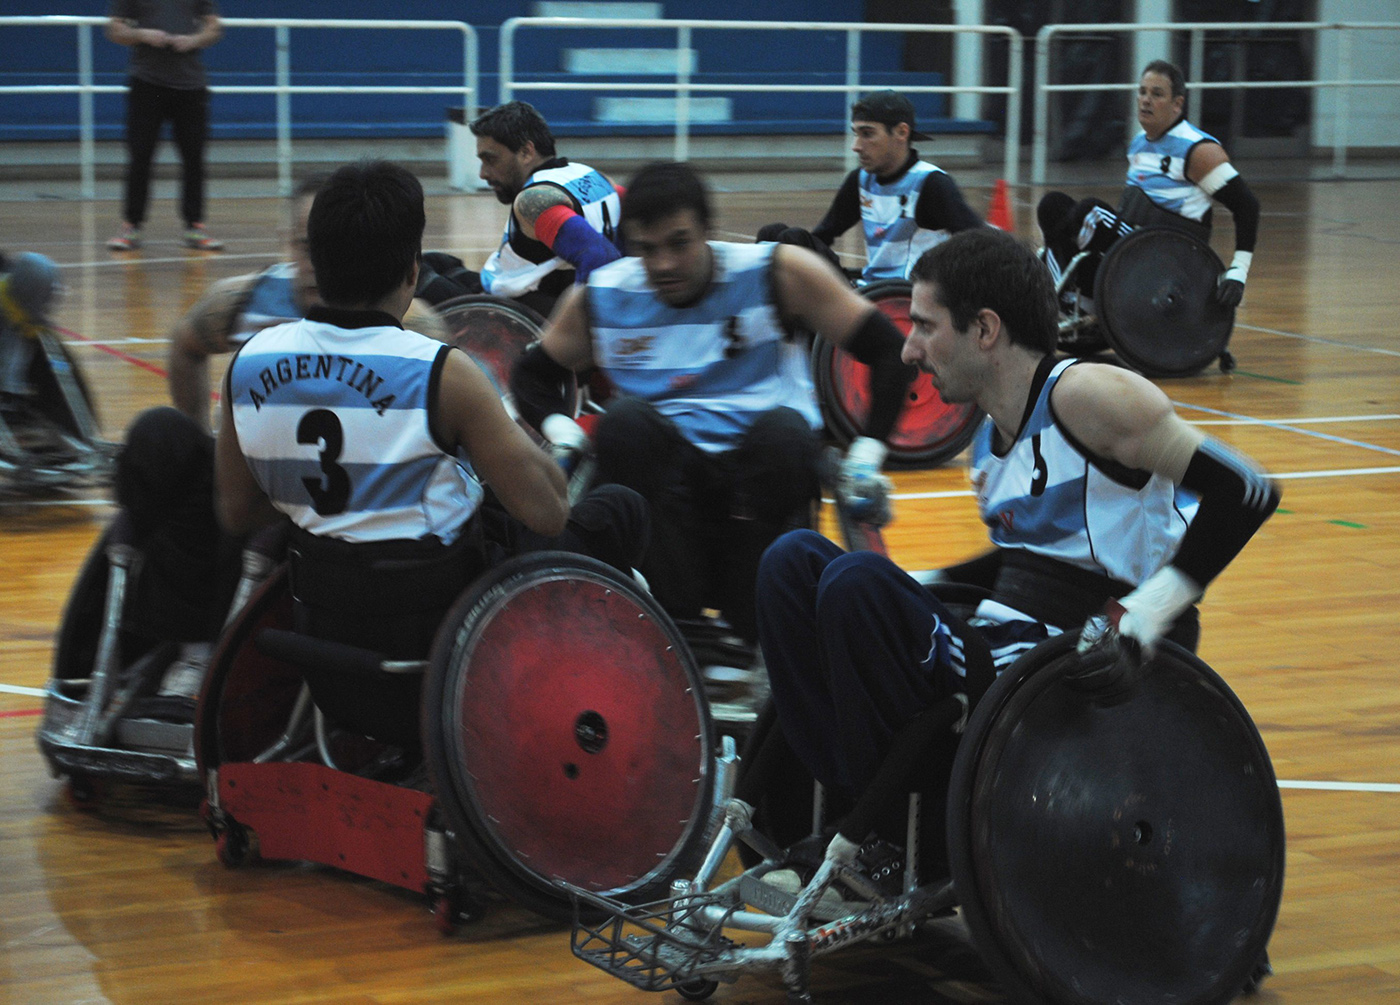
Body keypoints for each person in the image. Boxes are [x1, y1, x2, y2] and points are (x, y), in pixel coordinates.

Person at [754, 227, 1279, 811]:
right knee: (794, 561)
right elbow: (1022, 561)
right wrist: (917, 584)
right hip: (1006, 637)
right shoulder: (986, 441)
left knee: (856, 585)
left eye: (925, 326)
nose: (908, 350)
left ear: (984, 329)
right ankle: (808, 805)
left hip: (1072, 659)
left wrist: (1140, 619)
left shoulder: (1087, 395)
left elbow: (1247, 491)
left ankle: (872, 815)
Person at [215, 161, 646, 663]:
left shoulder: (248, 362)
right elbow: (548, 512)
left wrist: (337, 496)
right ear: (413, 271)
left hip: (321, 638)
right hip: (442, 643)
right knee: (619, 510)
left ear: (315, 259)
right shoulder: (441, 373)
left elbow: (237, 511)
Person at [510, 160, 917, 646]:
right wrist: (562, 431)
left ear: (706, 231)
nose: (662, 264)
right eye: (647, 249)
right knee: (625, 425)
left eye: (679, 243)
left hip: (761, 474)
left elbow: (891, 352)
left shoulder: (777, 273)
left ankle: (765, 623)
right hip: (670, 488)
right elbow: (531, 375)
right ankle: (666, 624)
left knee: (785, 436)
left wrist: (867, 454)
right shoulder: (603, 297)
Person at [166, 175, 446, 433]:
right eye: (308, 247)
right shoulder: (244, 301)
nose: (319, 263)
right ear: (286, 243)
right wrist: (202, 439)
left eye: (336, 248)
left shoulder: (408, 321)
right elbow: (185, 344)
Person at [1037, 60, 1261, 310]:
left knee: (1092, 212)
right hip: (1136, 245)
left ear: (1177, 104)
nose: (1146, 100)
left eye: (1157, 94)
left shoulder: (1198, 150)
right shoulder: (1137, 145)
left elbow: (1247, 206)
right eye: (1142, 92)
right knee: (1052, 205)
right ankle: (1068, 292)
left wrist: (1238, 272)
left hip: (1170, 256)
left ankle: (1065, 296)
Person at [412, 101, 624, 317]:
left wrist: (581, 329)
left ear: (526, 152)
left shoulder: (534, 200)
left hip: (512, 315)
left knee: (409, 274)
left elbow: (599, 256)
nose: (483, 174)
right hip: (520, 290)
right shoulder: (594, 176)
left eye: (490, 160)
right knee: (437, 261)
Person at [758, 90, 984, 284]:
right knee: (775, 236)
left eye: (867, 134)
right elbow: (822, 236)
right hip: (870, 290)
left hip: (904, 298)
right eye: (856, 134)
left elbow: (981, 242)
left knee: (793, 239)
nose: (856, 146)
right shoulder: (860, 180)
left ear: (901, 133)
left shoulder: (930, 183)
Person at [105, 0, 225, 252]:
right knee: (140, 155)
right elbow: (114, 30)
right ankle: (131, 226)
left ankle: (195, 226)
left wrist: (194, 40)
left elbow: (214, 28)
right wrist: (141, 34)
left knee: (194, 158)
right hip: (147, 84)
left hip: (190, 86)